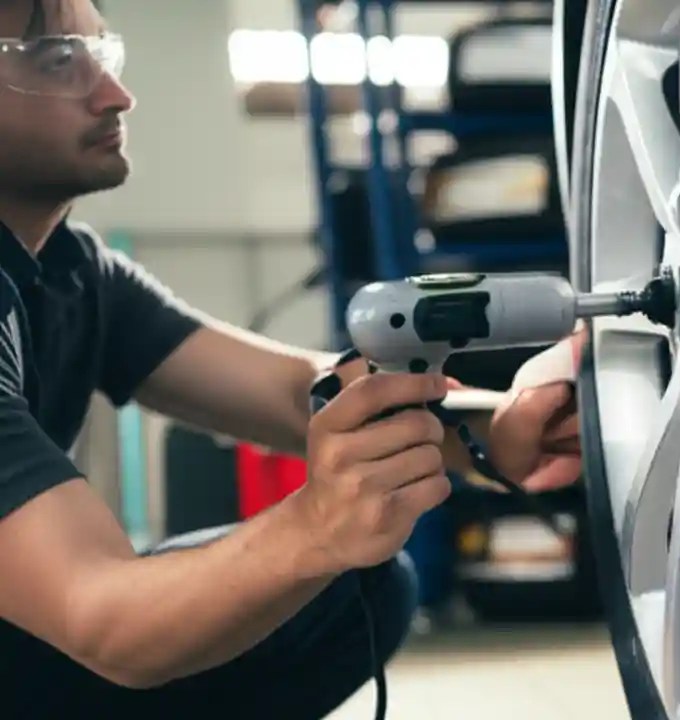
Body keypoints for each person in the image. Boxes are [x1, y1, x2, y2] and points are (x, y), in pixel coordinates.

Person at [0, 0, 583, 716]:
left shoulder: (71, 271)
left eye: (100, 56)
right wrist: (315, 527)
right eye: (59, 62)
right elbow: (104, 618)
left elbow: (291, 393)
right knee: (311, 570)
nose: (116, 94)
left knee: (356, 590)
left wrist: (504, 429)